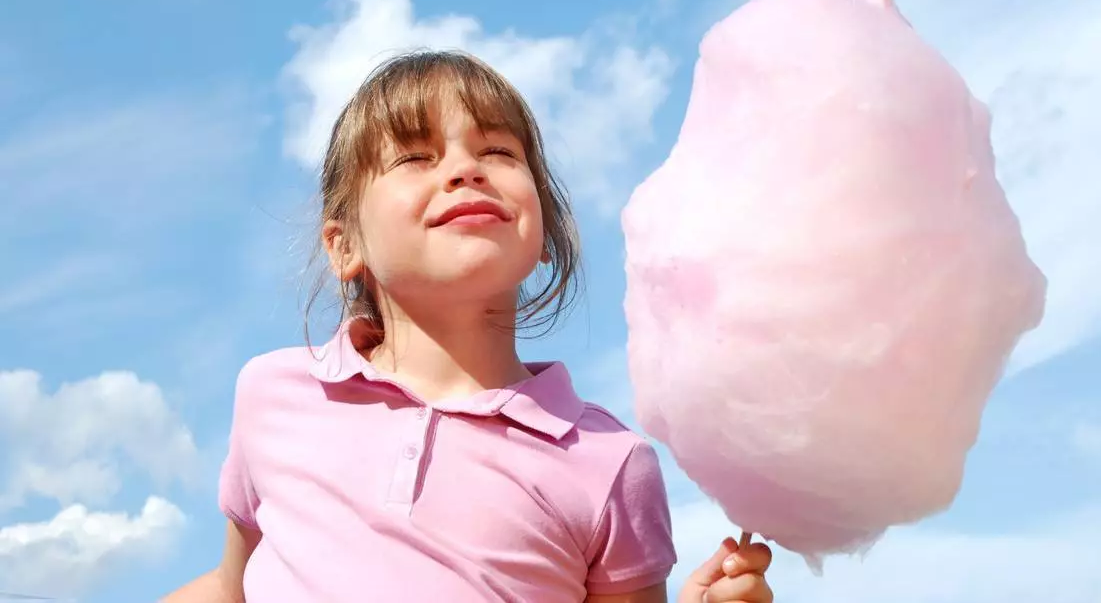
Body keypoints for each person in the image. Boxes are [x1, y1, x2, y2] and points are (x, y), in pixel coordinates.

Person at [162, 51, 775, 602]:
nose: (464, 169)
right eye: (414, 157)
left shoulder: (610, 462)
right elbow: (231, 587)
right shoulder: (275, 393)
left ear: (545, 235)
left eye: (499, 152)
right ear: (344, 244)